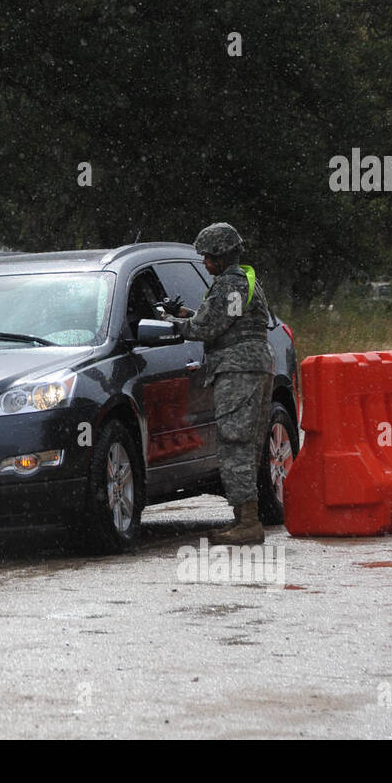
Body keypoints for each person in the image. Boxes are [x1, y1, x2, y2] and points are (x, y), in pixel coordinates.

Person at [166, 223, 274, 544]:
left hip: (238, 370)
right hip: (252, 367)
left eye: (208, 257)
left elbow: (208, 328)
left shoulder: (231, 285)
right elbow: (225, 318)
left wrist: (174, 323)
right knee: (244, 442)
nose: (205, 263)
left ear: (221, 255)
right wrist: (186, 312)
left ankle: (247, 523)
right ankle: (244, 518)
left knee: (235, 442)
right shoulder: (240, 283)